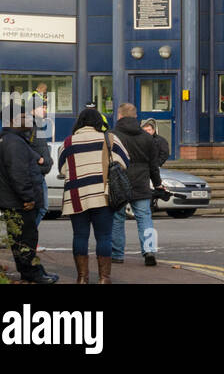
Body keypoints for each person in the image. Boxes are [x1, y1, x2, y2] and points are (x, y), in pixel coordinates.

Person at [58, 106, 128, 284]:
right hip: (102, 195)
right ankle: (104, 278)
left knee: (79, 236)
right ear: (98, 122)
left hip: (76, 196)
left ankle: (82, 278)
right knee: (104, 237)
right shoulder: (110, 139)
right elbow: (125, 162)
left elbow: (62, 169)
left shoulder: (67, 143)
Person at [0, 102, 56, 284]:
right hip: (19, 203)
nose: (29, 119)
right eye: (24, 117)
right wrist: (28, 198)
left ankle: (34, 272)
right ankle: (33, 275)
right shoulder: (13, 143)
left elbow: (35, 161)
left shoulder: (14, 140)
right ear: (12, 120)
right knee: (25, 241)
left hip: (15, 201)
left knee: (25, 240)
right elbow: (18, 173)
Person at [111, 103, 163, 266]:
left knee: (117, 218)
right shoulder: (147, 137)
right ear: (136, 117)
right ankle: (149, 251)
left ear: (119, 116)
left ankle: (117, 254)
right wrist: (158, 183)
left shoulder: (111, 136)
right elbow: (153, 165)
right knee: (144, 217)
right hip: (141, 182)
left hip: (118, 182)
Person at [27, 96, 53, 228]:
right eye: (42, 107)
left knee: (41, 208)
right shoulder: (29, 125)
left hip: (40, 174)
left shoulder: (38, 125)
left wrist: (48, 159)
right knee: (41, 208)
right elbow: (24, 146)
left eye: (45, 107)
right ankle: (28, 238)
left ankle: (30, 239)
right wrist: (39, 158)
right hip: (35, 175)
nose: (45, 110)